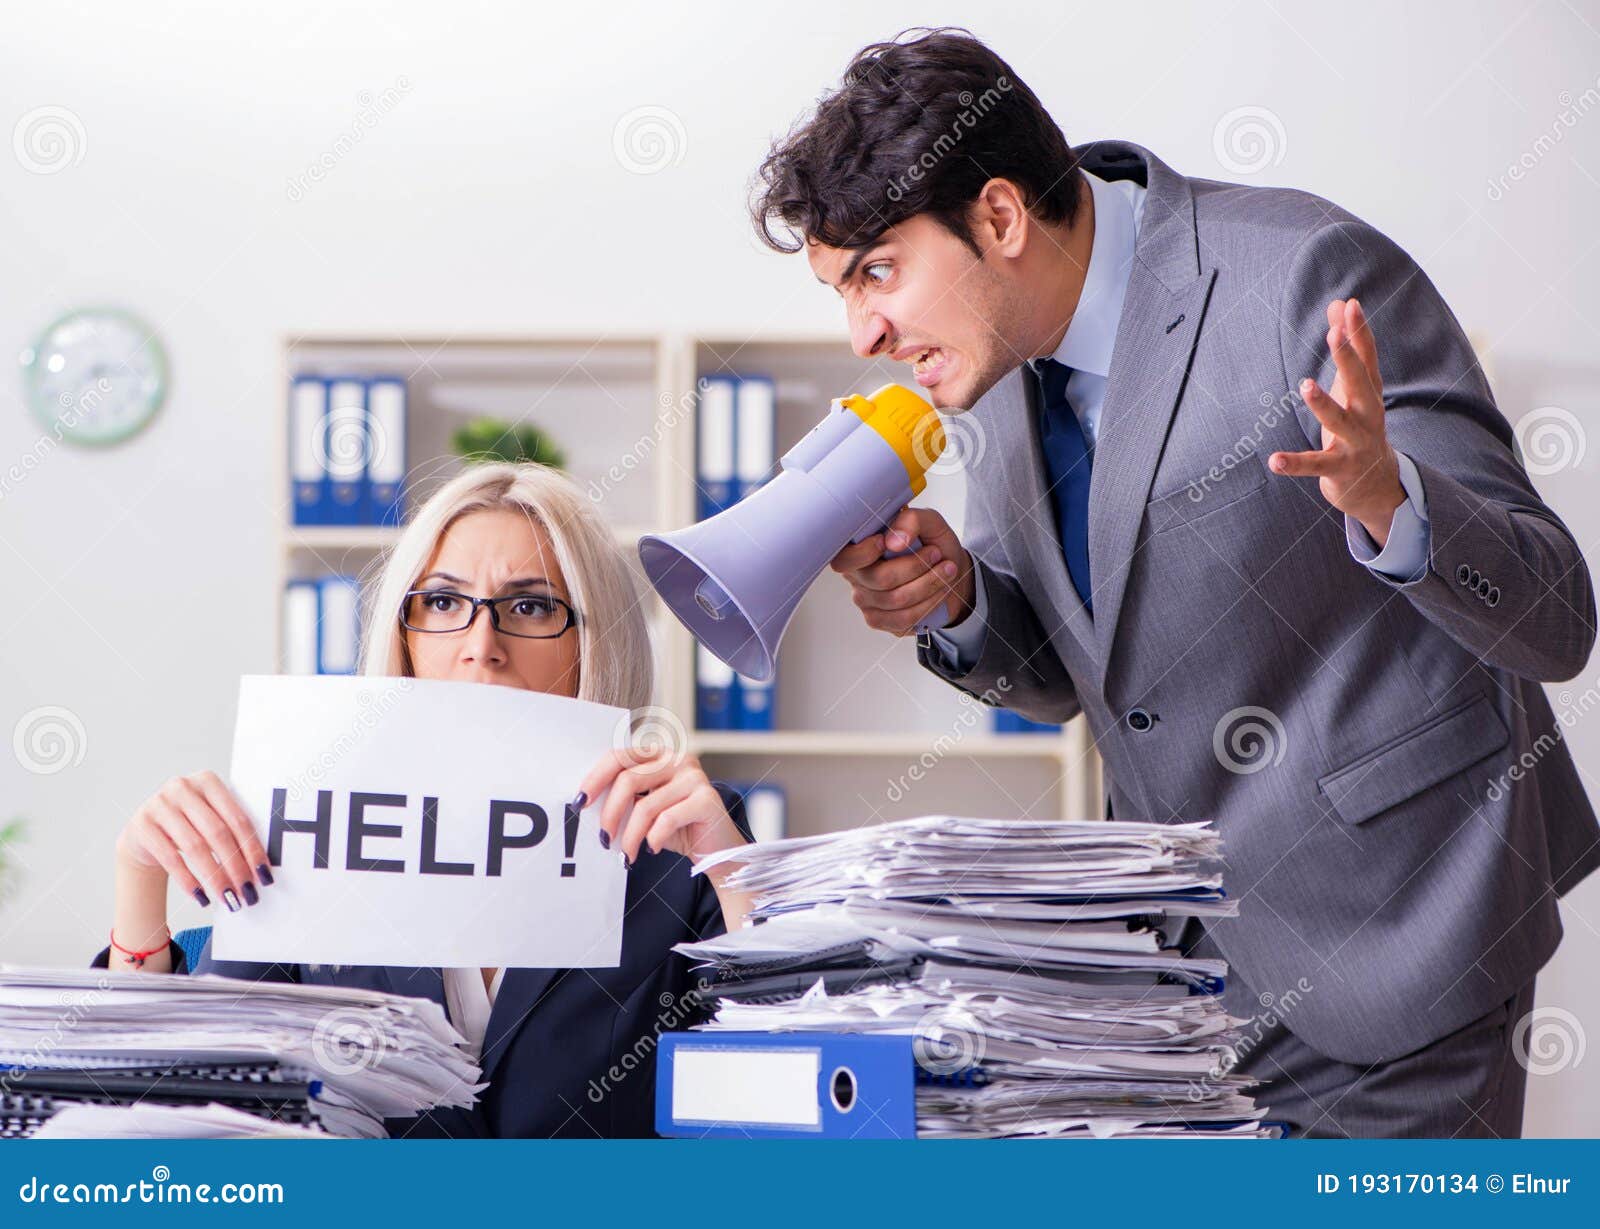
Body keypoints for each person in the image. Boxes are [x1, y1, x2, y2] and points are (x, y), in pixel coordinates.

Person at [754, 28, 1600, 1136]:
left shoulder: (1305, 273)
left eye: (875, 271)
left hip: (1403, 940)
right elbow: (1084, 675)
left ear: (1000, 218)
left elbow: (1554, 615)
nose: (862, 330)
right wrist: (959, 594)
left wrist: (1392, 499)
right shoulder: (995, 369)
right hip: (1176, 996)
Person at [94, 461, 754, 1137]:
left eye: (531, 605)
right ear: (403, 635)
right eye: (441, 602)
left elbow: (786, 1104)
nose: (480, 646)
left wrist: (736, 878)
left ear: (596, 640)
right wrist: (140, 889)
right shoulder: (311, 818)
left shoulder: (680, 841)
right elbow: (185, 1111)